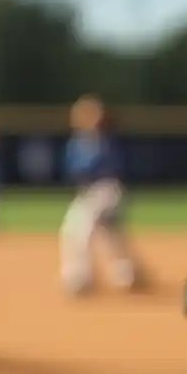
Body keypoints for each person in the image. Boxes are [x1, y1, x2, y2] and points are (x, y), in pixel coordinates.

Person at [59, 95, 139, 295]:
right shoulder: (78, 142)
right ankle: (128, 273)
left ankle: (80, 278)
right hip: (88, 192)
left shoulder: (106, 140)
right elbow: (73, 169)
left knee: (81, 230)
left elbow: (106, 168)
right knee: (109, 234)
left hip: (106, 189)